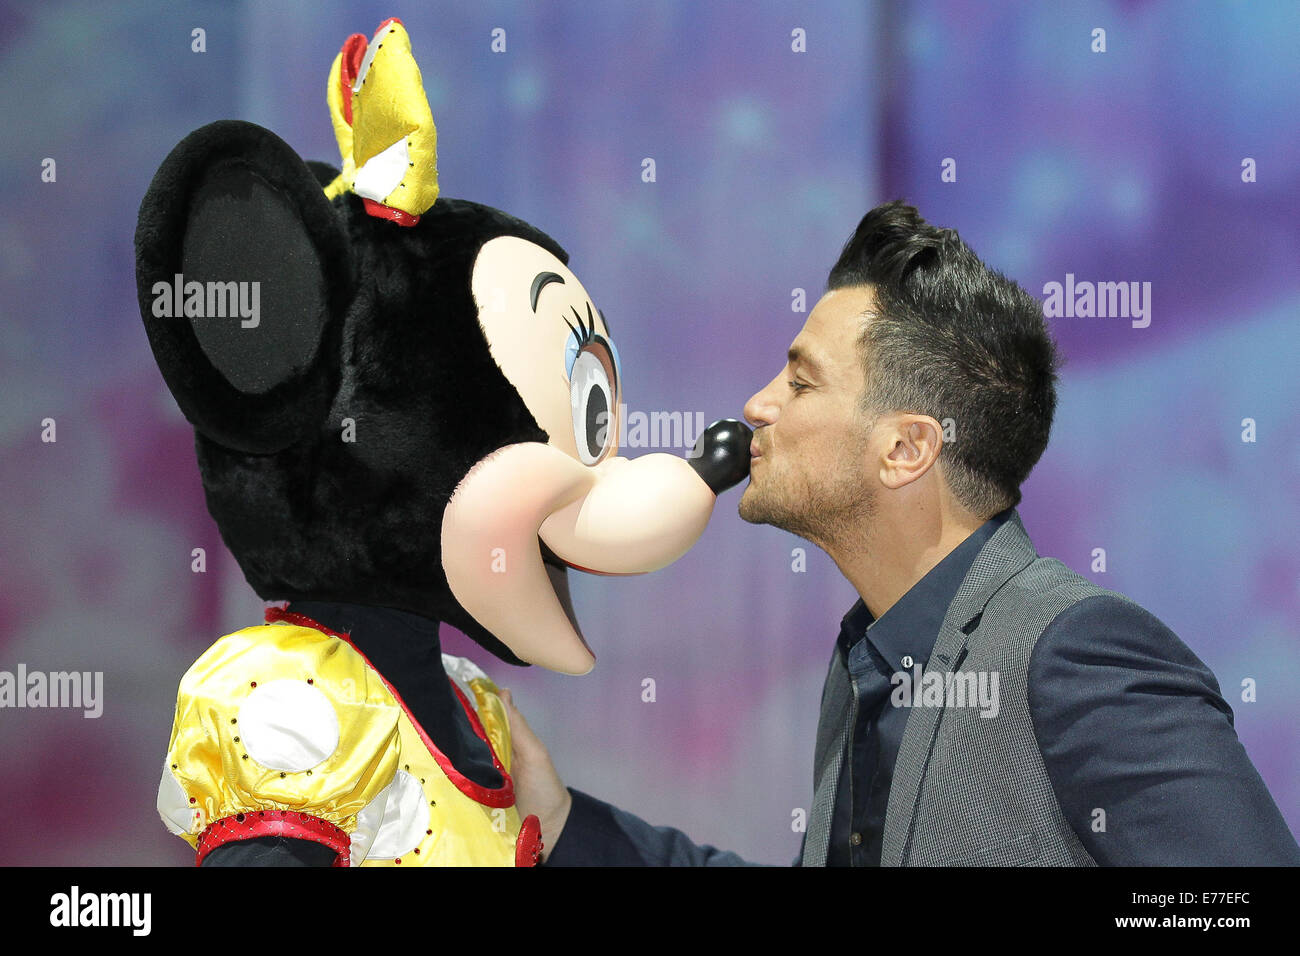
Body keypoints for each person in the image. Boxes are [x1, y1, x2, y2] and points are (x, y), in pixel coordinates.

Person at [501, 200, 1300, 866]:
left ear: (906, 449)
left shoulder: (1076, 651)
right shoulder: (870, 662)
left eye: (800, 381)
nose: (757, 404)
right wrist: (567, 823)